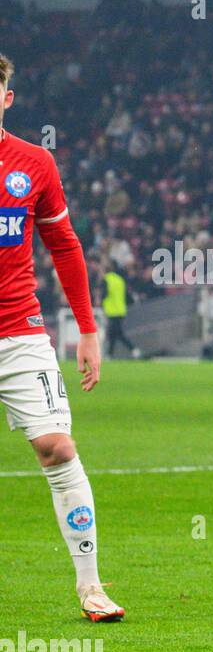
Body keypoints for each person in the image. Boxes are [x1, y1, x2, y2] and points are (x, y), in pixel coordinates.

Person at [0, 53, 122, 621]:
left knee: (59, 447)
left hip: (18, 332)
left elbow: (66, 246)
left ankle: (91, 587)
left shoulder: (33, 164)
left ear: (7, 98)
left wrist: (88, 328)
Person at [100, 263, 137, 359]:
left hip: (112, 310)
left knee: (117, 333)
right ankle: (110, 355)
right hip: (121, 310)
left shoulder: (106, 279)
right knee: (114, 333)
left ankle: (133, 350)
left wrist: (100, 300)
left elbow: (104, 294)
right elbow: (126, 295)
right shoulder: (119, 280)